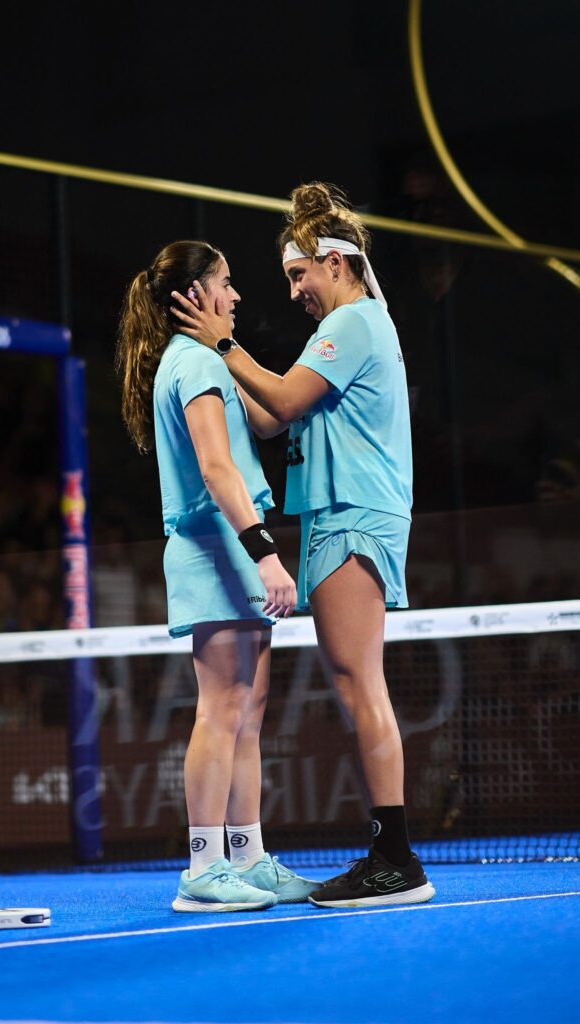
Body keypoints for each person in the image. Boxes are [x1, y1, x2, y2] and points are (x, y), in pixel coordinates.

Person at [171, 183, 436, 909]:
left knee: (359, 685)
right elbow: (268, 419)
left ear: (336, 263)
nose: (292, 291)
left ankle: (395, 860)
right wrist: (214, 360)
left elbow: (283, 399)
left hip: (353, 513)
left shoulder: (354, 322)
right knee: (353, 687)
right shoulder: (347, 328)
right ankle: (388, 853)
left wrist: (220, 342)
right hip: (330, 514)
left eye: (298, 275)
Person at [116, 239, 318, 912]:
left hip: (229, 544)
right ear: (195, 294)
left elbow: (267, 418)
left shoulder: (206, 359)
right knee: (221, 709)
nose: (235, 295)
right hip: (217, 545)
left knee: (248, 713)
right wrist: (264, 552)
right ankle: (201, 870)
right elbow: (215, 468)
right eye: (224, 283)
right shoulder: (192, 363)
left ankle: (248, 856)